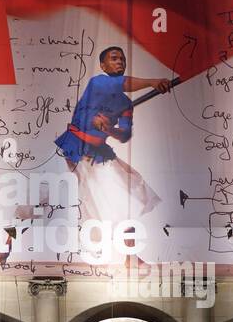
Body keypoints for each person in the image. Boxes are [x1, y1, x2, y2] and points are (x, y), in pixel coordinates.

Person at [55, 46, 170, 224]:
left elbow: (124, 135)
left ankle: (131, 252)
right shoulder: (97, 83)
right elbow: (124, 83)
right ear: (103, 65)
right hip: (74, 148)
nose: (119, 62)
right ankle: (7, 243)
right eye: (114, 59)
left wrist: (109, 129)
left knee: (127, 195)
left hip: (98, 154)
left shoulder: (125, 103)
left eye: (122, 60)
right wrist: (152, 82)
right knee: (50, 197)